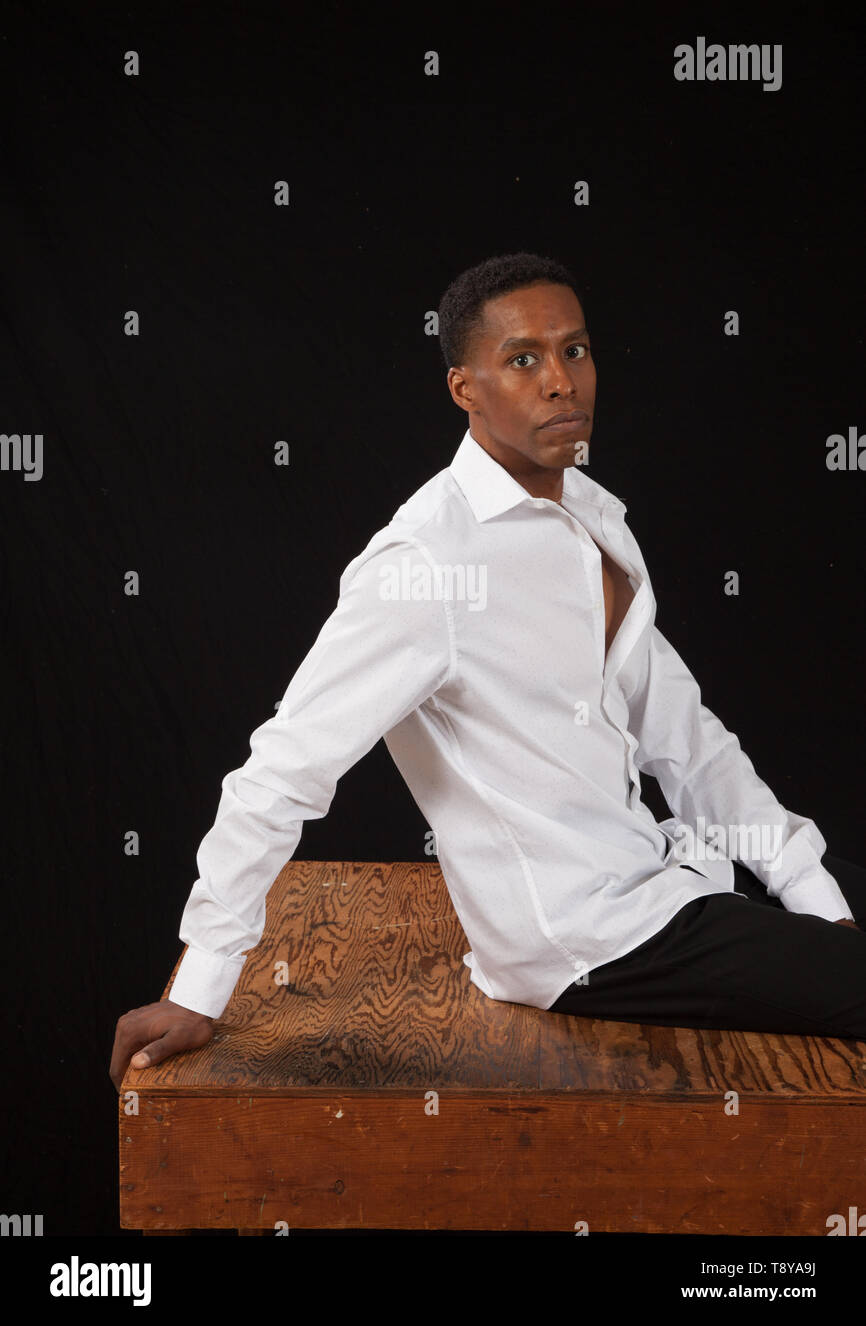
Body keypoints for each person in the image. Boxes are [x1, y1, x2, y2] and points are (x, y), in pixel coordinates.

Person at [110, 251, 865, 1091]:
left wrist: (814, 894)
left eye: (574, 351)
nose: (560, 383)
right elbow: (282, 771)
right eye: (523, 359)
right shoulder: (427, 562)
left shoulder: (591, 516)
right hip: (588, 943)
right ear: (464, 388)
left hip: (666, 873)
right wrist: (204, 982)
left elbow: (689, 742)